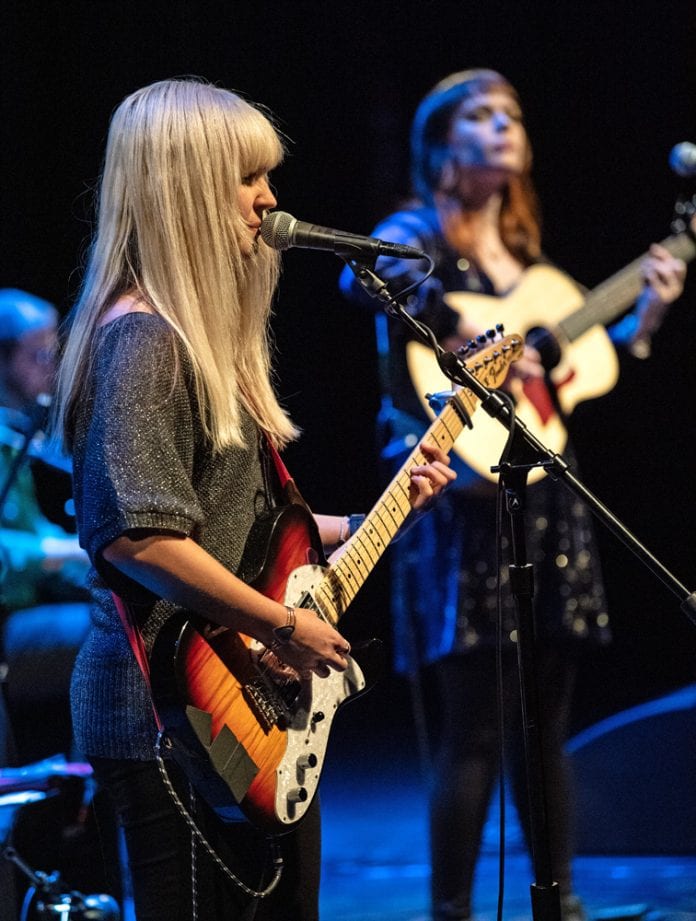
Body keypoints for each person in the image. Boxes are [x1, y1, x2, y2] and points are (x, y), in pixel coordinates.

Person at [51, 77, 456, 921]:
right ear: (182, 188)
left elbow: (228, 524)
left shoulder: (191, 341)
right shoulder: (144, 341)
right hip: (167, 716)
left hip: (236, 709)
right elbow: (140, 538)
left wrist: (383, 508)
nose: (269, 198)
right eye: (245, 177)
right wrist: (280, 623)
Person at [339, 69, 686, 921]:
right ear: (442, 144)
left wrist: (640, 324)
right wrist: (471, 335)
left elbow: (572, 375)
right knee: (475, 726)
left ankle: (558, 901)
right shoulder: (415, 231)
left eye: (512, 116)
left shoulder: (533, 264)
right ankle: (454, 910)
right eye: (481, 116)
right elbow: (364, 276)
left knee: (545, 719)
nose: (504, 127)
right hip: (458, 501)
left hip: (543, 497)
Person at [0, 288, 90, 764]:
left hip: (24, 614)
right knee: (106, 635)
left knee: (125, 613)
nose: (52, 366)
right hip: (6, 626)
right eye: (41, 353)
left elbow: (37, 535)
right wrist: (73, 552)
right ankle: (88, 791)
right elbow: (10, 555)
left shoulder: (18, 433)